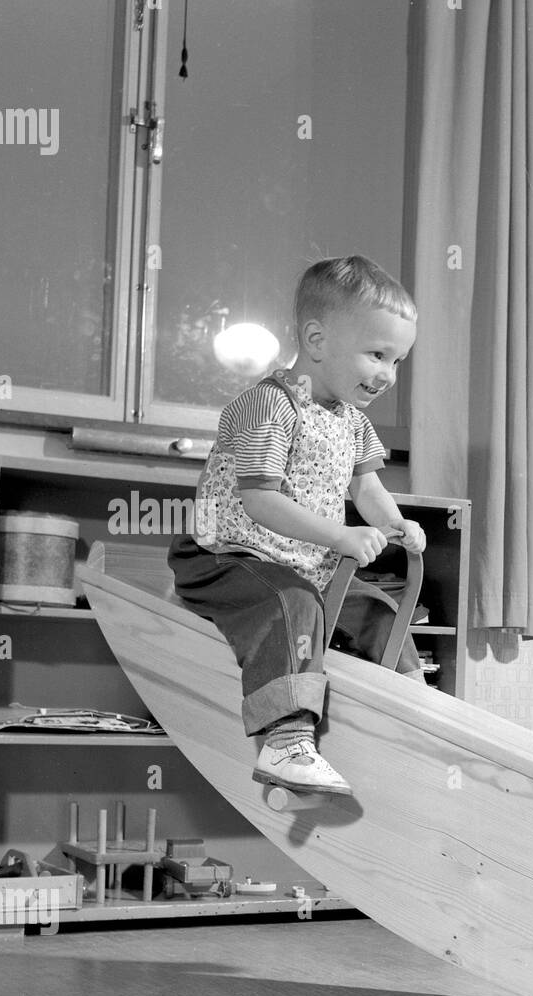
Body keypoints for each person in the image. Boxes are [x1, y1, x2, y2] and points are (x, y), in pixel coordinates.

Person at [168, 254, 427, 797]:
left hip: (302, 566)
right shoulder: (268, 405)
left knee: (378, 610)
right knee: (293, 605)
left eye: (398, 361)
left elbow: (367, 488)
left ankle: (416, 719)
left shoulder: (351, 421)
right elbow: (260, 501)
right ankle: (285, 740)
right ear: (316, 338)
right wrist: (340, 537)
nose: (388, 374)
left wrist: (396, 524)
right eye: (377, 354)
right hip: (228, 557)